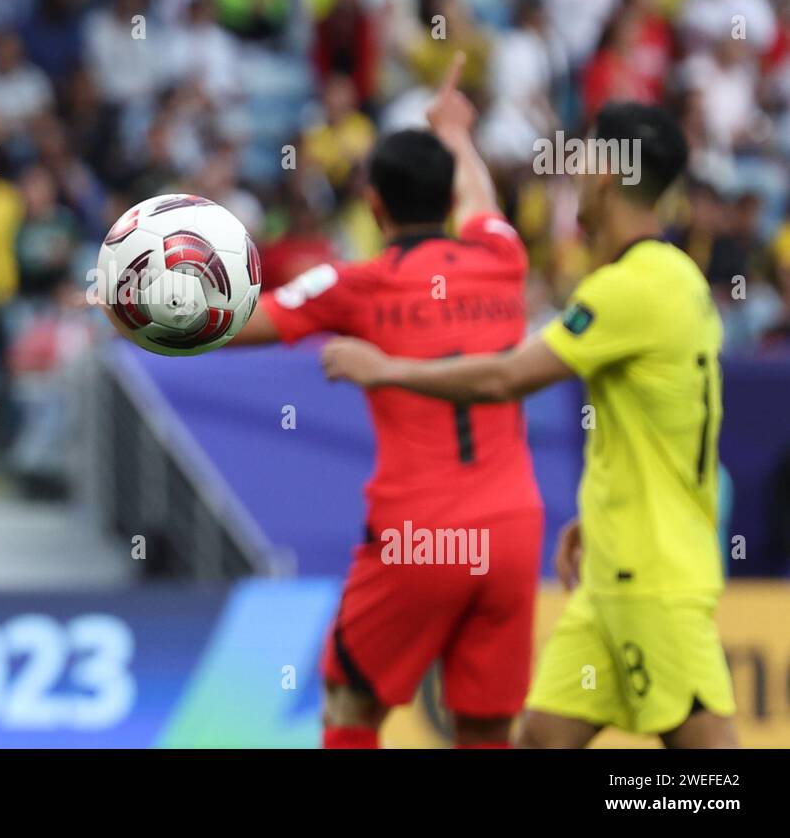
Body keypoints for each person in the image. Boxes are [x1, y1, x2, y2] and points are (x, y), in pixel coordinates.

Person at [322, 102, 738, 749]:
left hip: (653, 579)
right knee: (541, 740)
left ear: (604, 174)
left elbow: (504, 378)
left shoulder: (627, 290)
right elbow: (661, 424)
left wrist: (385, 369)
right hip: (613, 570)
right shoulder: (677, 279)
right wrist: (600, 516)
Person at [233, 54, 544, 749]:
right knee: (487, 724)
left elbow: (241, 322)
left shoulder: (356, 283)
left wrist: (132, 309)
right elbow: (482, 201)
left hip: (419, 533)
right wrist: (455, 129)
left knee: (350, 706)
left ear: (373, 206)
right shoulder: (502, 255)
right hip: (514, 530)